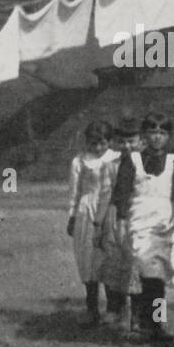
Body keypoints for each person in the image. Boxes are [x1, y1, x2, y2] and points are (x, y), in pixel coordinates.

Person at [111, 112, 174, 344]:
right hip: (138, 222)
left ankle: (158, 324)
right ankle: (138, 321)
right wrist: (120, 221)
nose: (157, 137)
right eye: (152, 132)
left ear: (168, 135)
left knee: (158, 277)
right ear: (145, 135)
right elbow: (121, 193)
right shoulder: (133, 160)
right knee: (140, 271)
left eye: (162, 133)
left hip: (164, 225)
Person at [95, 118, 143, 334]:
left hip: (140, 215)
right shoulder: (110, 166)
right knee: (115, 263)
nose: (127, 146)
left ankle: (141, 316)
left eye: (131, 141)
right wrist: (99, 224)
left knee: (139, 267)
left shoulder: (146, 163)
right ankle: (117, 310)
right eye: (122, 142)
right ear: (115, 143)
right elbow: (105, 195)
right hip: (116, 216)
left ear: (140, 141)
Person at [67, 120, 116, 326]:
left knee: (110, 257)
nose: (98, 148)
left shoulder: (116, 158)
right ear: (87, 142)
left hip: (110, 211)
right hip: (86, 212)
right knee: (88, 259)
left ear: (109, 142)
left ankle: (114, 308)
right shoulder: (79, 162)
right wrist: (71, 216)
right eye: (93, 143)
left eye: (102, 143)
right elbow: (74, 192)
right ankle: (92, 307)